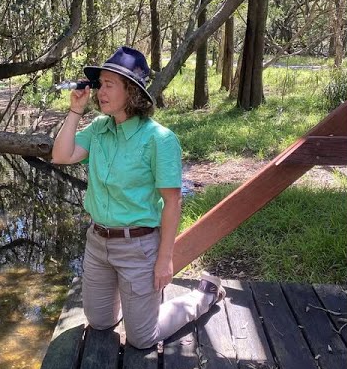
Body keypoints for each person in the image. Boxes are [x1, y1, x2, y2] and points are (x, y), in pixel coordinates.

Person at [51, 45, 225, 350]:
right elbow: (61, 156)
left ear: (131, 92)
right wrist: (75, 110)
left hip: (138, 248)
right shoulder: (99, 129)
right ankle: (132, 302)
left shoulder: (159, 139)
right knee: (99, 322)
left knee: (142, 339)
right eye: (99, 84)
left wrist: (165, 259)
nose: (100, 92)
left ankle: (204, 295)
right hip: (97, 243)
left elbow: (172, 202)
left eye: (109, 85)